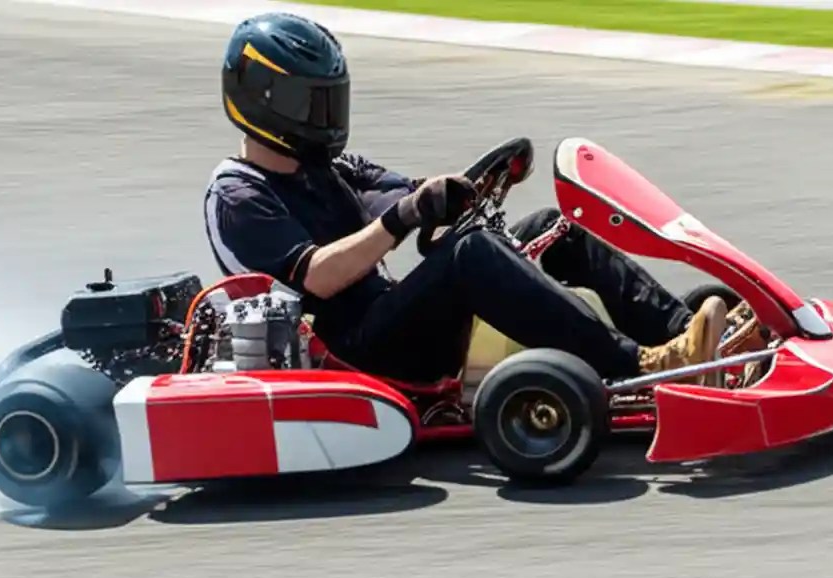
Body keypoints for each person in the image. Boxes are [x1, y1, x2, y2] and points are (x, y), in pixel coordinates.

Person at [203, 12, 728, 385]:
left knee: (550, 226)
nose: (325, 118)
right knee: (470, 253)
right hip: (348, 359)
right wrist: (406, 217)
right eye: (309, 103)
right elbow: (317, 274)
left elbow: (405, 196)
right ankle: (638, 366)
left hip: (391, 321)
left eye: (329, 102)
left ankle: (690, 338)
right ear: (261, 97)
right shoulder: (238, 194)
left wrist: (454, 193)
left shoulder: (331, 168)